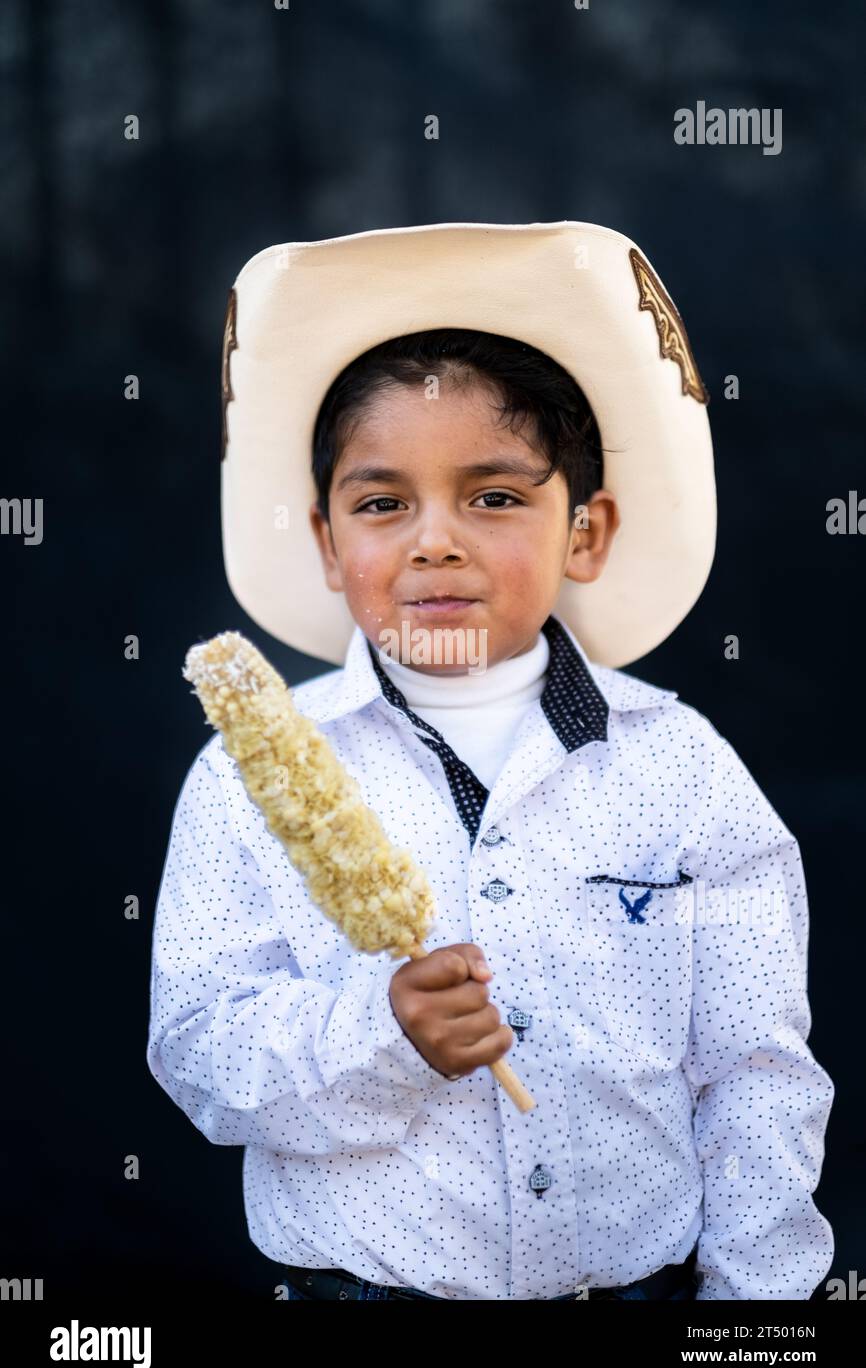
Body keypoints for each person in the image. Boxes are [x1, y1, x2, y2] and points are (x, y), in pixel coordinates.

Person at [146, 221, 834, 1300]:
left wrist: (756, 1315)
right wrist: (379, 1030)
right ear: (328, 543)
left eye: (495, 496)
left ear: (585, 532)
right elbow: (201, 1052)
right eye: (381, 503)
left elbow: (753, 1073)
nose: (434, 541)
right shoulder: (239, 778)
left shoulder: (682, 771)